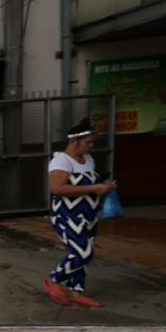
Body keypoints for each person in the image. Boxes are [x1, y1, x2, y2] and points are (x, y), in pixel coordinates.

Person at [42, 119, 116, 308]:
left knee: (81, 252)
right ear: (74, 141)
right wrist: (95, 187)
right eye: (88, 142)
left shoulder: (88, 159)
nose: (91, 146)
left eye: (92, 142)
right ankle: (54, 280)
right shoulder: (61, 161)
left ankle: (76, 291)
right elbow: (57, 188)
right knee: (83, 253)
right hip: (67, 216)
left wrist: (104, 186)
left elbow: (88, 184)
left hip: (89, 216)